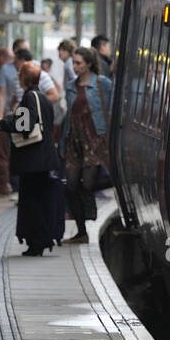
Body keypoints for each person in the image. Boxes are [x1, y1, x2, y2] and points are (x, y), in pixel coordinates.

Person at [0, 62, 60, 256]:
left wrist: (2, 123)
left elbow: (23, 125)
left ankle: (36, 243)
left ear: (23, 78)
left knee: (32, 201)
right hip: (44, 158)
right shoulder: (43, 98)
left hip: (33, 160)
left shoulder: (29, 97)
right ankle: (41, 240)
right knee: (40, 199)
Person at [63, 47, 113, 244]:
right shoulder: (70, 86)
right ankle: (82, 232)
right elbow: (69, 116)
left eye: (78, 63)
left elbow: (111, 110)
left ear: (89, 64)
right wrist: (63, 142)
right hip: (75, 141)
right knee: (71, 186)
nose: (74, 66)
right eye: (74, 63)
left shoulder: (103, 84)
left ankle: (118, 182)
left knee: (89, 184)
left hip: (95, 140)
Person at [0, 46, 17, 196]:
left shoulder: (5, 70)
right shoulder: (31, 67)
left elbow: (1, 95)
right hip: (13, 116)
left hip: (8, 116)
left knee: (2, 153)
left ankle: (5, 185)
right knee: (10, 152)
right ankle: (11, 185)